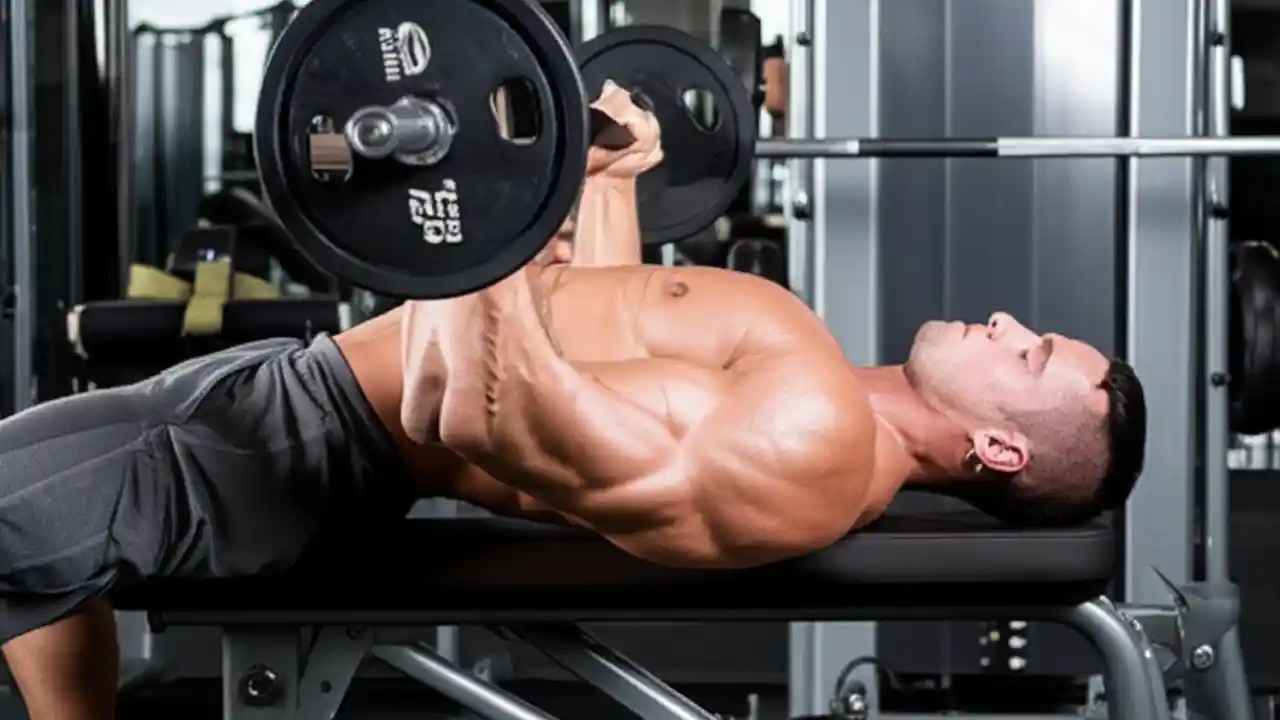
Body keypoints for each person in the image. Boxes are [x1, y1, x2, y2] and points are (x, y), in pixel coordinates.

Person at [0, 83, 1146, 719]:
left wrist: (469, 231)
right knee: (39, 550)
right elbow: (594, 334)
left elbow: (501, 420)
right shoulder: (821, 387)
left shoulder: (815, 450)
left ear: (997, 449)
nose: (1007, 323)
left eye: (1030, 353)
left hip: (297, 446)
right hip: (281, 401)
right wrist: (602, 186)